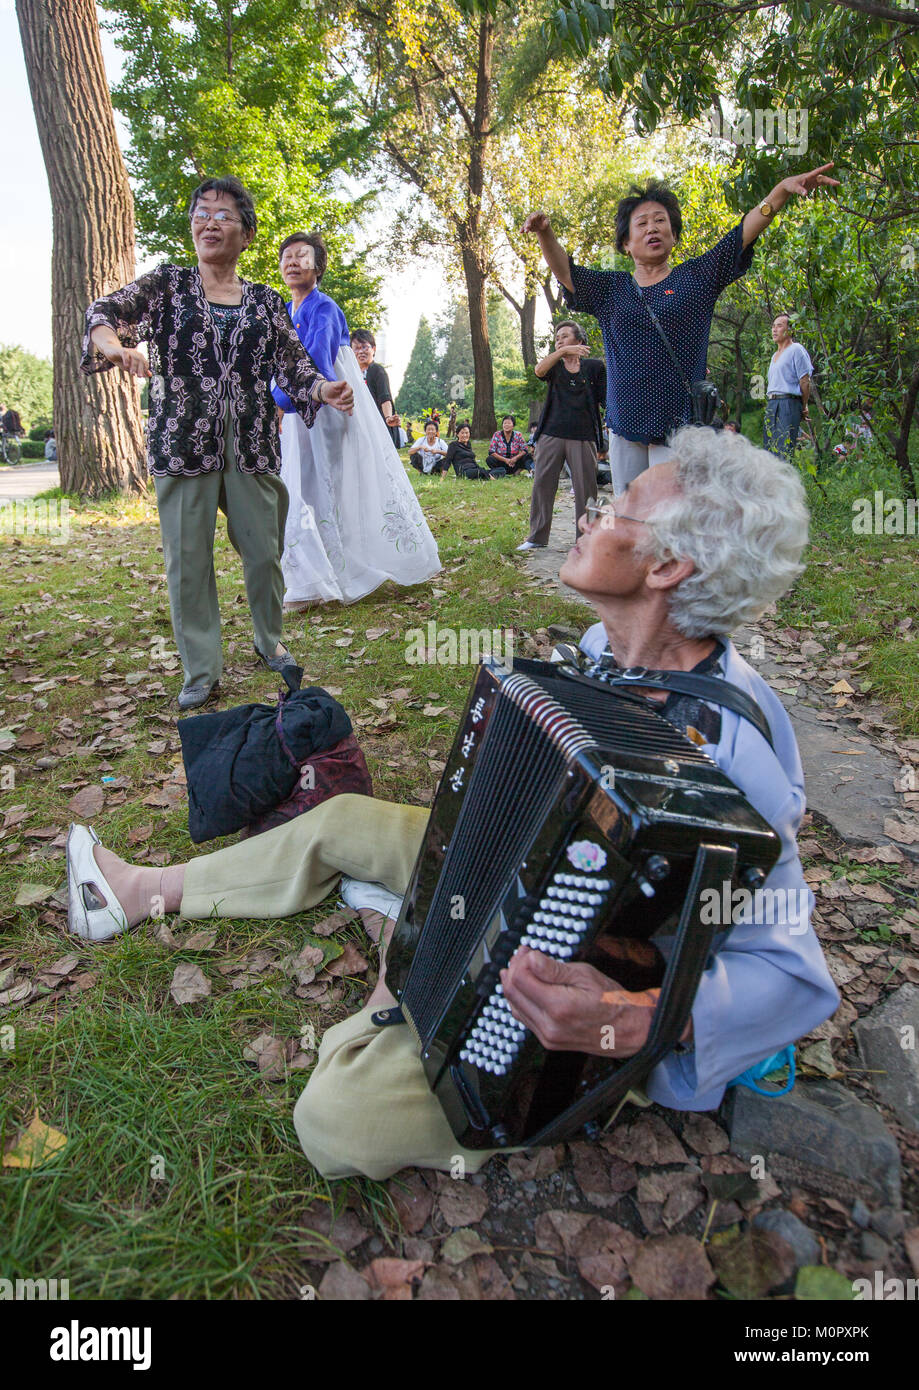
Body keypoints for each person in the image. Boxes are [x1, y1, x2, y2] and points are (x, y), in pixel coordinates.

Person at [65, 426, 838, 1181]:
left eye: (611, 507)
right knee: (340, 821)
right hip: (520, 893)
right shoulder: (610, 653)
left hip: (581, 1010)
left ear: (668, 565)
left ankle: (398, 967)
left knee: (336, 1126)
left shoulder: (731, 752)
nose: (587, 514)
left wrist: (631, 1017)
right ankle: (140, 894)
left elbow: (791, 972)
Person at [82, 176, 354, 711]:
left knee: (264, 551)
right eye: (201, 212)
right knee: (188, 560)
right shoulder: (167, 287)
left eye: (224, 214)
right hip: (183, 444)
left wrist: (323, 388)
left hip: (252, 444)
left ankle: (268, 638)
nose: (210, 221)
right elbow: (103, 313)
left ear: (247, 234)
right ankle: (201, 668)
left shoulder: (266, 302)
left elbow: (294, 365)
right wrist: (114, 348)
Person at [522, 165, 840, 493]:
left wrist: (780, 192)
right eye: (641, 224)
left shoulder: (696, 278)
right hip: (625, 427)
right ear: (626, 243)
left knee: (671, 525)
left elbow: (742, 234)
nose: (653, 229)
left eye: (661, 221)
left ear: (673, 234)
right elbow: (565, 272)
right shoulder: (611, 289)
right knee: (631, 525)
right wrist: (545, 232)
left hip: (679, 429)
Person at [270, 233, 440, 607]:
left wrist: (279, 399)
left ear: (318, 267)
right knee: (300, 487)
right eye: (286, 256)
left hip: (329, 411)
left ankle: (346, 571)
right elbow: (272, 361)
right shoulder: (282, 311)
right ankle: (309, 576)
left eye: (302, 255)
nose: (292, 262)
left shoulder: (324, 308)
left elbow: (316, 361)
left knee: (332, 485)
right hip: (295, 414)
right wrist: (274, 400)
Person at [517, 321, 606, 551]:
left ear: (579, 340)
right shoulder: (554, 366)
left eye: (565, 337)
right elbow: (539, 370)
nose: (559, 340)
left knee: (586, 489)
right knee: (542, 484)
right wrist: (562, 352)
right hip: (551, 433)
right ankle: (536, 537)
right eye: (557, 338)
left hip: (583, 435)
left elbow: (606, 401)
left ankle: (586, 541)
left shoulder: (595, 367)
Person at [764, 313, 813, 459]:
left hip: (788, 403)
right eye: (773, 326)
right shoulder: (774, 356)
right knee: (769, 449)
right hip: (772, 403)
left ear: (789, 330)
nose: (774, 330)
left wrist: (803, 406)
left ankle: (782, 481)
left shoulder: (796, 349)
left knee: (783, 450)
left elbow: (804, 381)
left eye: (779, 326)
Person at [350, 330, 400, 448]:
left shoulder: (377, 371)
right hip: (359, 428)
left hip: (377, 428)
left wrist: (388, 417)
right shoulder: (350, 373)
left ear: (374, 349)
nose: (361, 351)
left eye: (365, 347)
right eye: (356, 348)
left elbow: (385, 398)